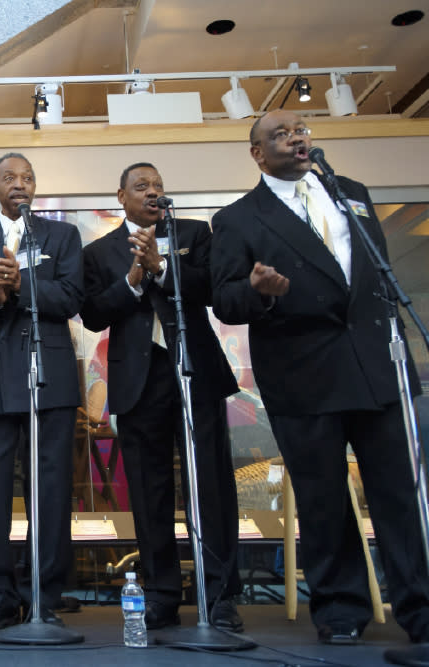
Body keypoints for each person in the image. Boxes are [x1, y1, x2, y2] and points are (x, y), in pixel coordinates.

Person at [211, 109, 429, 644]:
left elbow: (368, 274)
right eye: (279, 135)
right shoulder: (238, 218)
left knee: (400, 493)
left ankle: (421, 609)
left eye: (300, 129)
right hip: (302, 372)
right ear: (257, 153)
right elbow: (224, 298)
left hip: (376, 364)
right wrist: (258, 290)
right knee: (323, 496)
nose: (295, 138)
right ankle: (340, 609)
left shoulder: (350, 191)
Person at [79, 162, 243, 632]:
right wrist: (133, 280)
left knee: (209, 487)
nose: (152, 192)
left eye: (158, 186)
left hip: (194, 373)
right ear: (121, 197)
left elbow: (212, 289)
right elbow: (92, 314)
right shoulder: (99, 252)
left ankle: (220, 596)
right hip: (137, 382)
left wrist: (163, 268)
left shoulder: (193, 232)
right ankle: (162, 595)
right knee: (150, 495)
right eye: (141, 186)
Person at [0, 152, 82, 628]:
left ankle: (44, 596)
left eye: (27, 178)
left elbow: (70, 298)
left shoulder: (61, 236)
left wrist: (22, 286)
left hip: (51, 373)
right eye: (9, 178)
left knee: (51, 489)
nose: (19, 184)